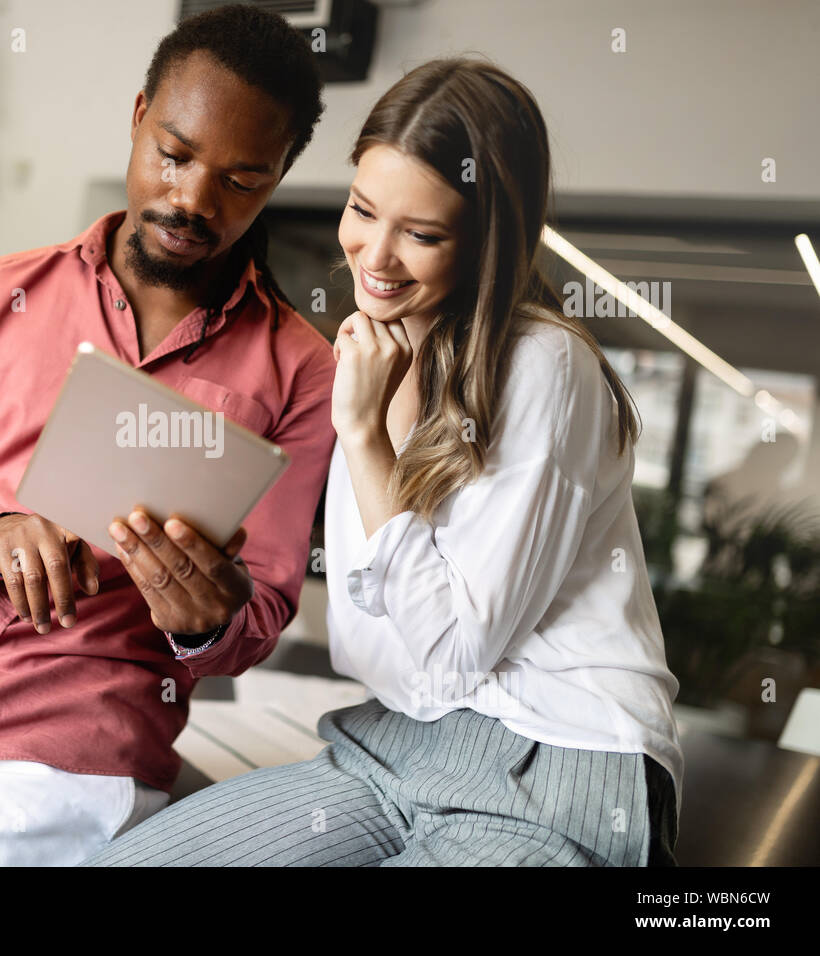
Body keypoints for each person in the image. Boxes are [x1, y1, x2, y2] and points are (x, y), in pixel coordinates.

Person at [85, 57, 683, 867]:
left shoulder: (547, 365)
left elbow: (447, 661)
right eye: (363, 210)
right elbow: (377, 652)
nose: (377, 256)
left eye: (424, 234)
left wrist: (365, 438)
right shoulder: (372, 351)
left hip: (562, 763)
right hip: (393, 742)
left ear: (485, 241)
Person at [0, 4, 336, 866]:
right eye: (174, 155)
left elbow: (260, 611)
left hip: (64, 746)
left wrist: (202, 624)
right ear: (138, 115)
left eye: (241, 179)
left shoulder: (301, 368)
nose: (193, 199)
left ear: (281, 174)